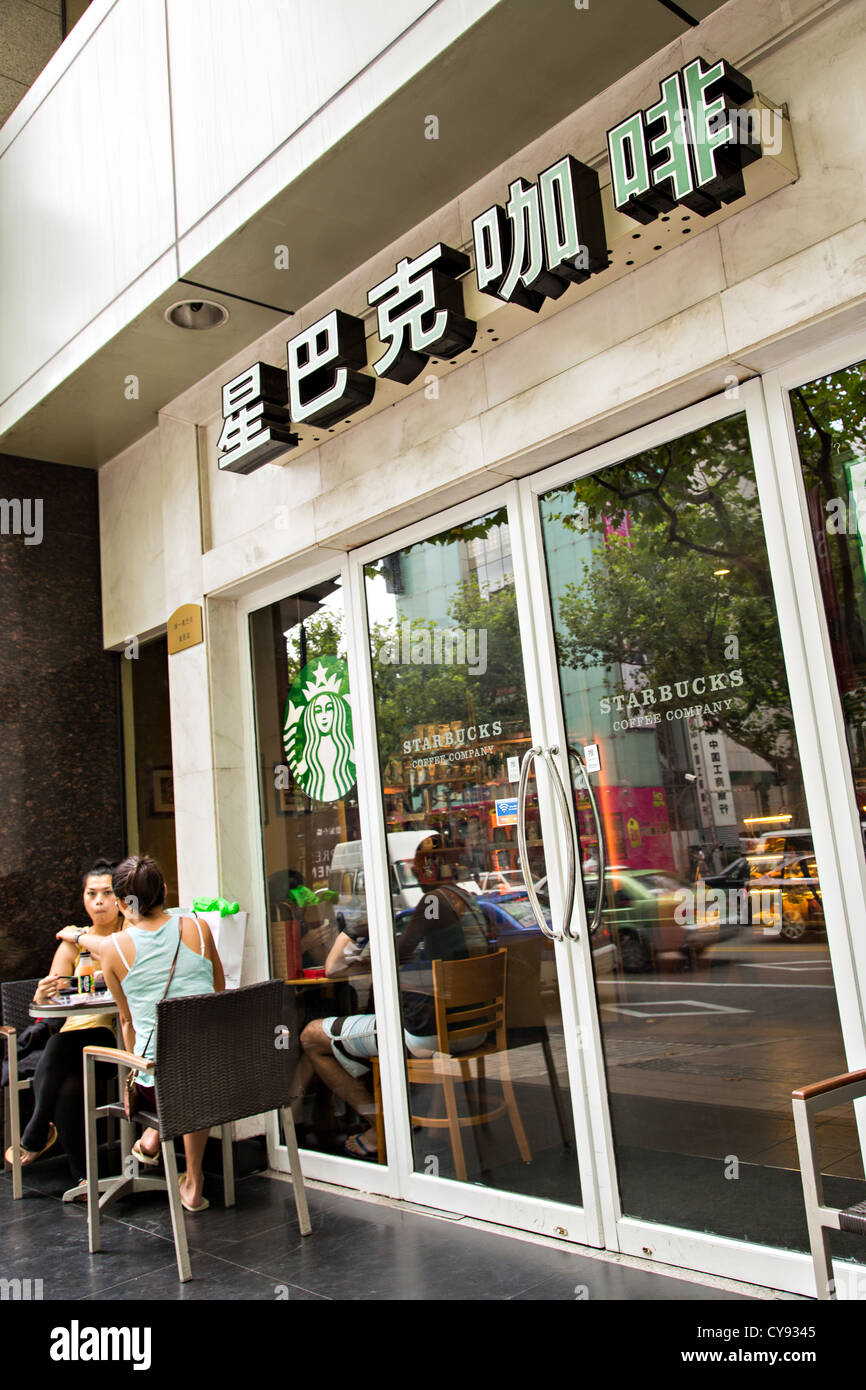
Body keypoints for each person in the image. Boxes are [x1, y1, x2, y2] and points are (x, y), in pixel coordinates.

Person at [300, 845, 490, 1159]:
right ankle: (395, 1112)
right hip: (474, 1027)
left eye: (419, 866)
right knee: (374, 1017)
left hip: (433, 1033)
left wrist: (354, 931)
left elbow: (393, 956)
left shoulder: (433, 901)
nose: (416, 872)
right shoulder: (467, 899)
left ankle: (383, 1125)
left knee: (311, 1036)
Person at [99, 854, 225, 1213]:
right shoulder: (198, 929)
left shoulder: (112, 949)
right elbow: (216, 989)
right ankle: (194, 1179)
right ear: (165, 891)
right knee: (193, 1070)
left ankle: (154, 1133)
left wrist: (133, 1072)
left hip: (161, 1083)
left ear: (123, 904)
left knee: (168, 1075)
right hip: (220, 1077)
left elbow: (126, 1021)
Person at [5, 859, 123, 1194]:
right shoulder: (71, 943)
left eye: (107, 892)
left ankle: (36, 1130)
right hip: (71, 1041)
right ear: (83, 899)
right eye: (91, 893)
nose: (98, 900)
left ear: (121, 899)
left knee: (59, 1048)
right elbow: (51, 991)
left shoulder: (126, 936)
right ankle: (84, 1176)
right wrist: (43, 992)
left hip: (112, 1036)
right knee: (69, 1082)